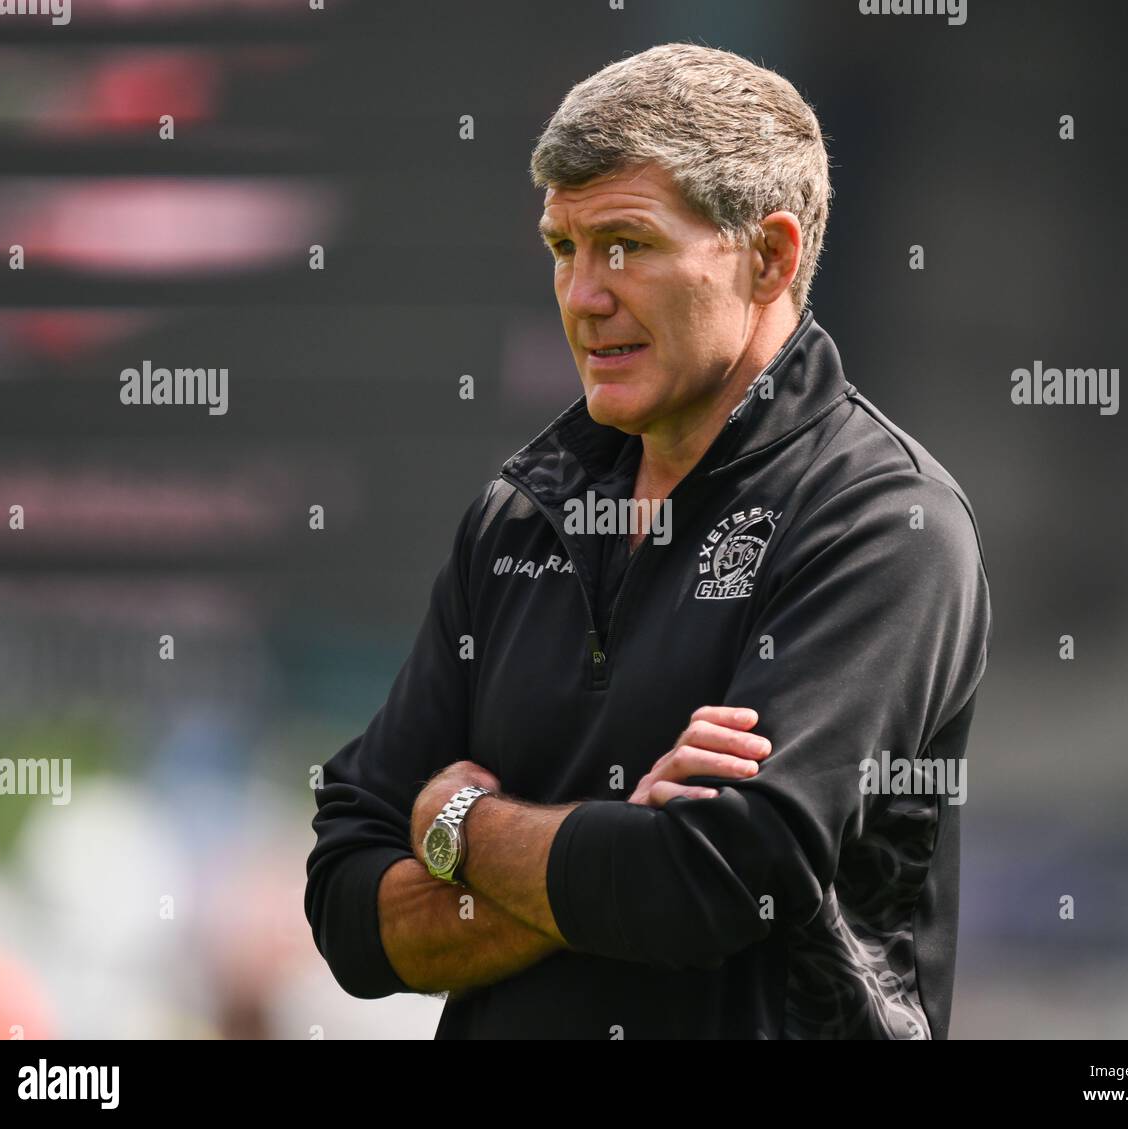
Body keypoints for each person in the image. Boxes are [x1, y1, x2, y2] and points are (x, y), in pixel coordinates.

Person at [305, 42, 992, 1039]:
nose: (584, 295)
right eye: (562, 248)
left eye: (625, 243)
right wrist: (614, 848)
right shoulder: (520, 513)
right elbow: (345, 908)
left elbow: (713, 883)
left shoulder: (884, 522)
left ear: (770, 256)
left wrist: (454, 826)